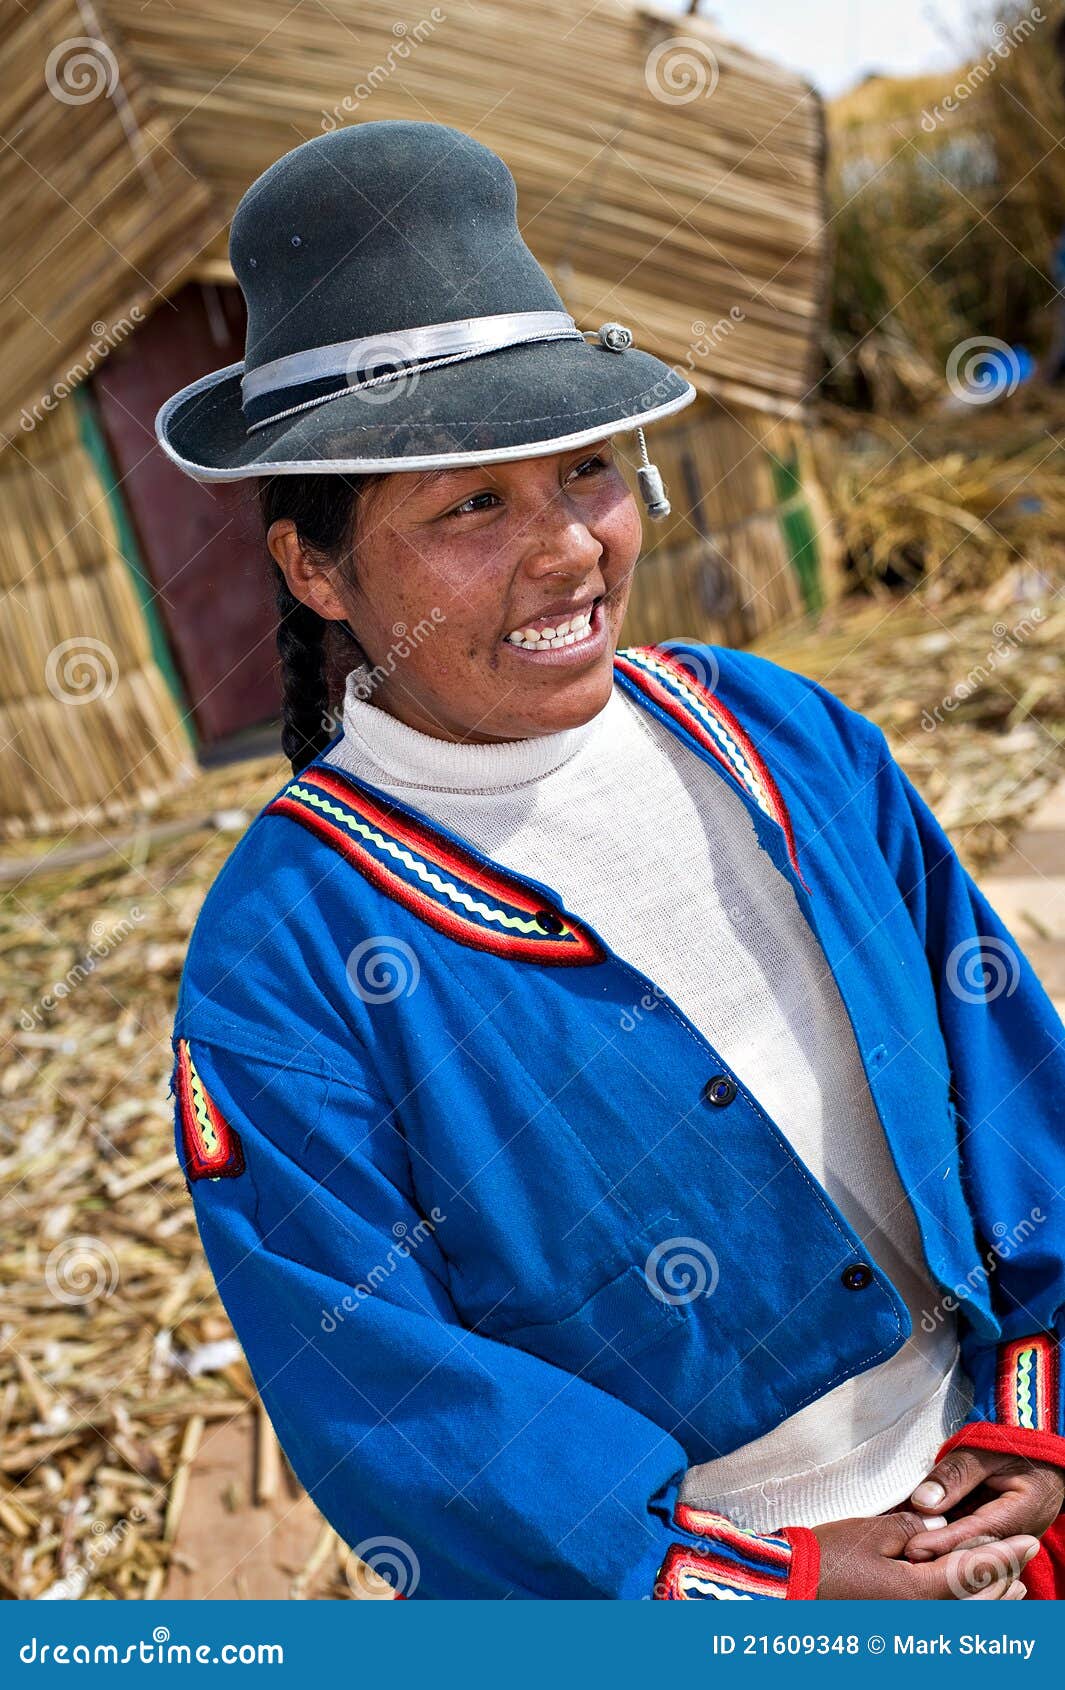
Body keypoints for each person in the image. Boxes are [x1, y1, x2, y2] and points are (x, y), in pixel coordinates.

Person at [156, 120, 1065, 1601]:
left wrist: (1037, 1419)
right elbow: (388, 1392)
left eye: (585, 469)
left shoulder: (780, 741)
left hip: (996, 1507)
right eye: (468, 504)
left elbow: (1012, 1080)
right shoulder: (288, 963)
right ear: (314, 568)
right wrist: (754, 1579)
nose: (569, 549)